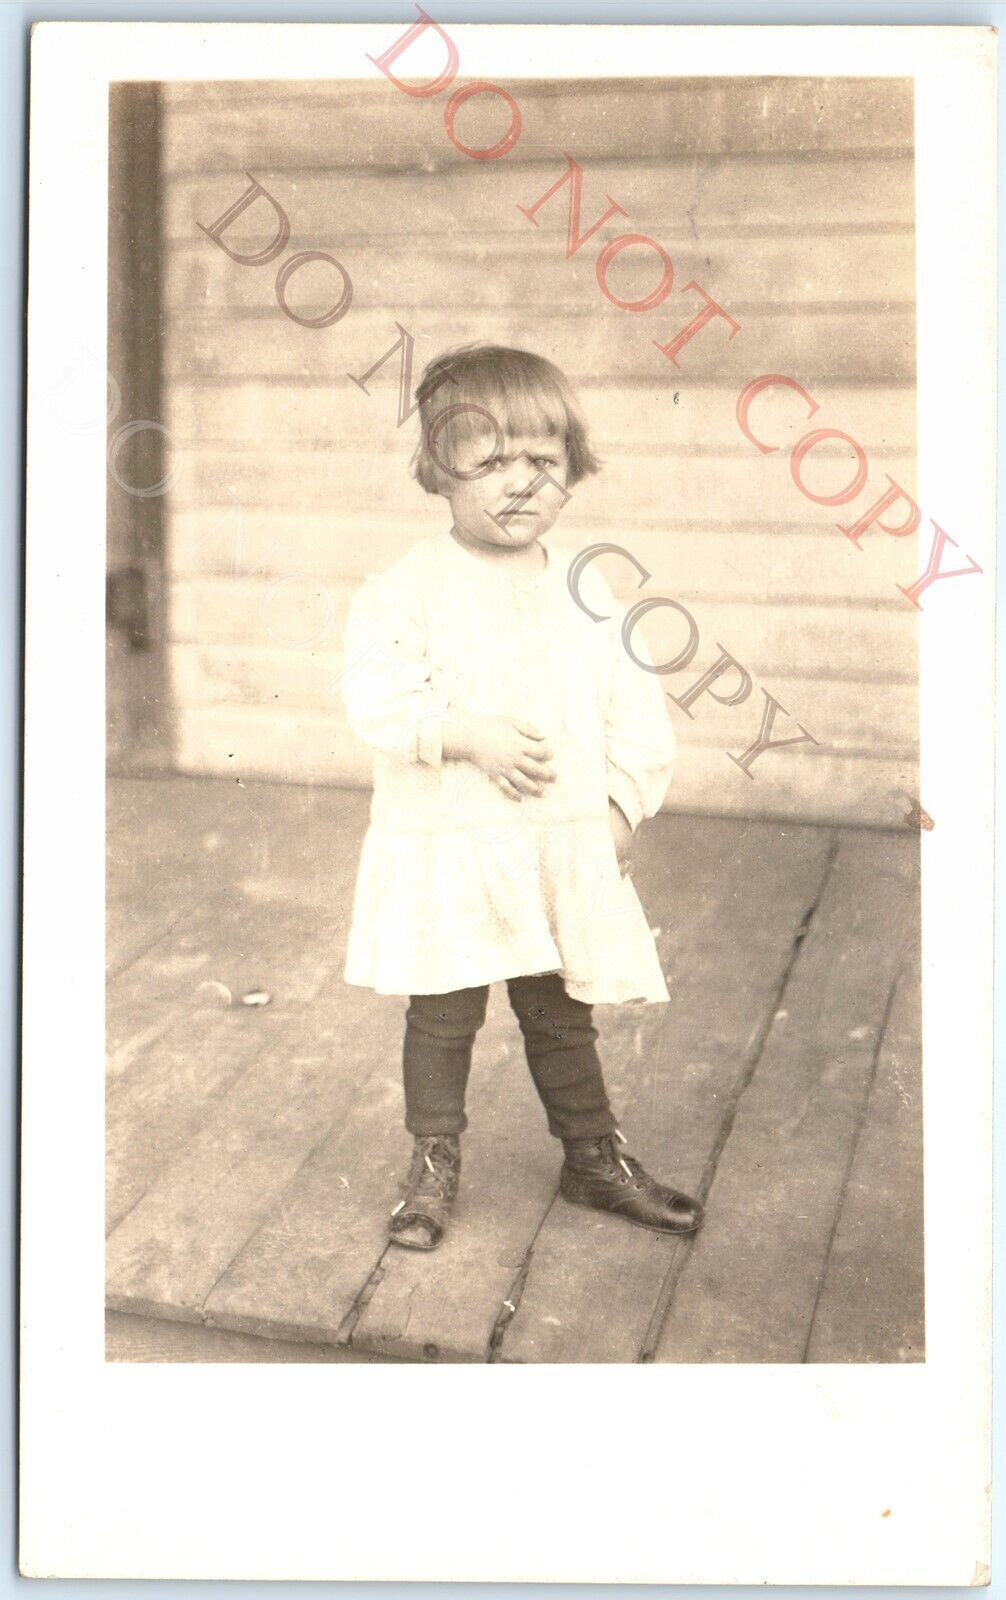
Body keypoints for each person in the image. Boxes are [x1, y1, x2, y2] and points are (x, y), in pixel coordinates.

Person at [341, 343, 703, 1250]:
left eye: (543, 461)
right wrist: (472, 736)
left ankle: (591, 1154)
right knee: (444, 1007)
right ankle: (433, 1163)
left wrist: (619, 807)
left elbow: (637, 713)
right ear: (439, 468)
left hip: (551, 846)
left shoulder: (589, 589)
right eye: (491, 460)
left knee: (558, 1010)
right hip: (452, 842)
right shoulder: (409, 589)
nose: (520, 484)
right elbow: (381, 702)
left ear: (572, 474)